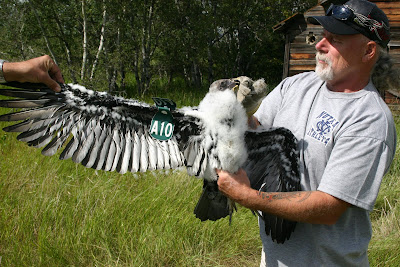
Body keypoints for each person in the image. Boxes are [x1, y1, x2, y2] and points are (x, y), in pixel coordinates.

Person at [217, 0, 397, 266]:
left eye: (335, 40)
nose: (319, 45)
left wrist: (247, 196)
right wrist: (238, 111)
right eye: (323, 36)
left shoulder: (369, 119)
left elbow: (328, 207)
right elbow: (256, 132)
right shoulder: (296, 85)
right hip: (275, 257)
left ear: (368, 51)